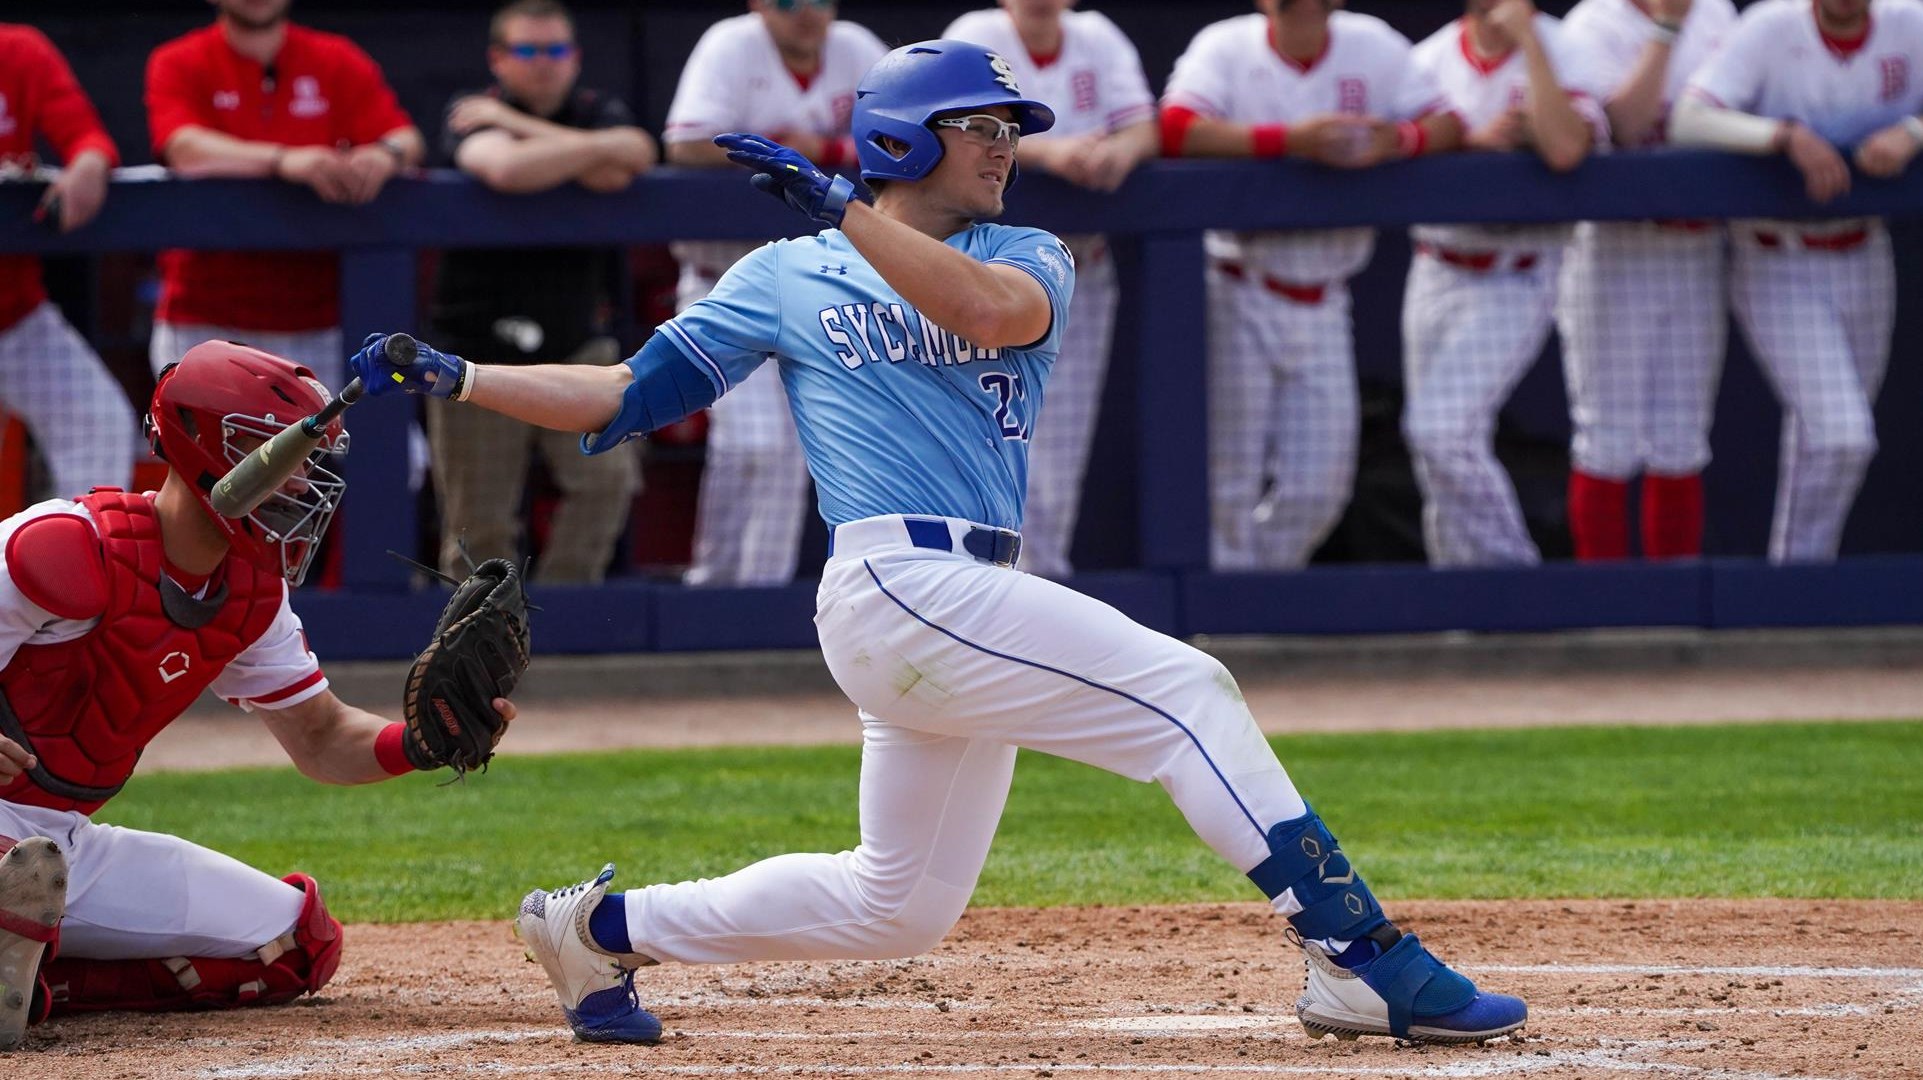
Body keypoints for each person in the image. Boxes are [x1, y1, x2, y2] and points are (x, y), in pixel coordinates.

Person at [352, 39, 1527, 1049]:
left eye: (1011, 127)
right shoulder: (787, 274)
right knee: (1187, 694)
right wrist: (464, 376)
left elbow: (982, 315)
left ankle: (597, 930)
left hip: (963, 592)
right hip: (896, 581)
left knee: (896, 906)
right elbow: (621, 392)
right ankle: (1356, 954)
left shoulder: (1029, 257)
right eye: (980, 126)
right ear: (906, 141)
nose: (1006, 145)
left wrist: (842, 212)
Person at [0, 341, 515, 1050]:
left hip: (48, 853)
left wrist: (421, 742)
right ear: (218, 454)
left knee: (295, 943)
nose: (304, 484)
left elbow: (322, 737)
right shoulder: (63, 546)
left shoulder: (248, 595)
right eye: (288, 459)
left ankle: (33, 982)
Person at [1160, 0, 1463, 571]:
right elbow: (1176, 129)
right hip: (1239, 286)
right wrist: (1288, 141)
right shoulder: (1226, 44)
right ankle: (1229, 618)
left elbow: (1448, 122)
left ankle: (1252, 593)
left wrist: (1395, 140)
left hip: (1326, 295)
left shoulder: (1372, 44)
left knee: (1320, 484)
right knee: (1229, 475)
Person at [1671, 0, 1922, 563]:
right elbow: (1688, 119)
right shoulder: (1770, 26)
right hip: (1775, 254)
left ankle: (1795, 581)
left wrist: (1914, 129)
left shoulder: (1910, 23)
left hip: (1865, 251)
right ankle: (1798, 581)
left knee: (1826, 442)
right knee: (1842, 435)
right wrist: (1782, 136)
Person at [426, 0, 657, 582]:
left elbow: (637, 152)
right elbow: (504, 169)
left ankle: (552, 621)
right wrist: (585, 153)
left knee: (608, 485)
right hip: (476, 349)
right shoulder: (472, 112)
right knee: (479, 523)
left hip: (576, 344)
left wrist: (531, 135)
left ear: (575, 57)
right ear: (498, 60)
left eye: (556, 50)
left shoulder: (593, 108)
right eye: (527, 51)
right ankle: (477, 644)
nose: (544, 64)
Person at [663, 0, 887, 586]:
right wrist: (789, 150)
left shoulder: (858, 48)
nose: (805, 14)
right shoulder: (730, 44)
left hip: (822, 293)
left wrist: (814, 149)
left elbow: (903, 145)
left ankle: (746, 596)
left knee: (779, 457)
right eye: (788, 2)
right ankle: (719, 590)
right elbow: (685, 144)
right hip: (727, 284)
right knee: (759, 449)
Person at [940, 0, 1158, 580]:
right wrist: (1050, 152)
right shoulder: (974, 33)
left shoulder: (1097, 35)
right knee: (991, 435)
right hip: (991, 275)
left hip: (1082, 269)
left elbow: (1145, 127)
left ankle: (1039, 586)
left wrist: (1118, 150)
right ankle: (990, 585)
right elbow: (948, 136)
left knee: (1060, 456)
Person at [1402, 0, 1604, 567]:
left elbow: (1566, 148)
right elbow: (1390, 146)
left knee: (1440, 430)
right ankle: (1463, 604)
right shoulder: (1426, 59)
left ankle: (1515, 580)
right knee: (1437, 455)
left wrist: (1531, 45)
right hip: (1436, 264)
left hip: (1519, 269)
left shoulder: (1567, 46)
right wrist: (1469, 142)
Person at [144, 0, 424, 391]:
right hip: (206, 318)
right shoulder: (178, 59)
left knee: (396, 450)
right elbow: (183, 147)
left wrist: (384, 154)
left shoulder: (335, 57)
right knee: (214, 451)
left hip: (323, 321)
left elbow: (405, 137)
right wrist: (283, 160)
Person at [1556, 0, 1737, 561]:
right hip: (1616, 252)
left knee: (1682, 440)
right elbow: (1626, 127)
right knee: (1606, 441)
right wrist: (1667, 28)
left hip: (1695, 247)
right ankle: (1606, 614)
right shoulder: (1592, 23)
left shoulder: (1718, 11)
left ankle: (1675, 609)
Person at [0, 24, 138, 500]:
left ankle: (79, 570)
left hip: (15, 319)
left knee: (99, 423)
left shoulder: (16, 50)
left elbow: (88, 137)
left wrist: (88, 164)